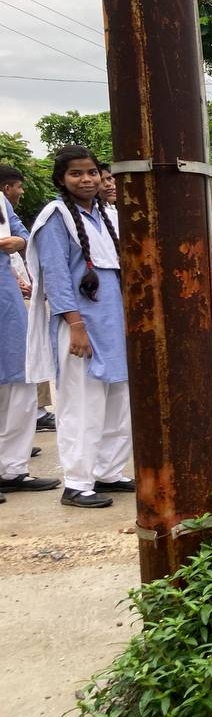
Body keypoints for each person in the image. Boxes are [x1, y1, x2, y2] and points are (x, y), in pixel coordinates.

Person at [25, 145, 132, 508]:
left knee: (119, 401)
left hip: (112, 325)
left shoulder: (105, 215)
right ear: (61, 179)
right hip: (81, 327)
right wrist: (76, 326)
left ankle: (109, 471)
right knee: (82, 405)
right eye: (76, 174)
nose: (86, 179)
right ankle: (77, 483)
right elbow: (56, 277)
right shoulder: (55, 217)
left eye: (92, 173)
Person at [1, 189, 61, 501]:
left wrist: (10, 242)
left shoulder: (1, 201)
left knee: (20, 384)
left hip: (6, 304)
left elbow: (21, 238)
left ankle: (12, 469)